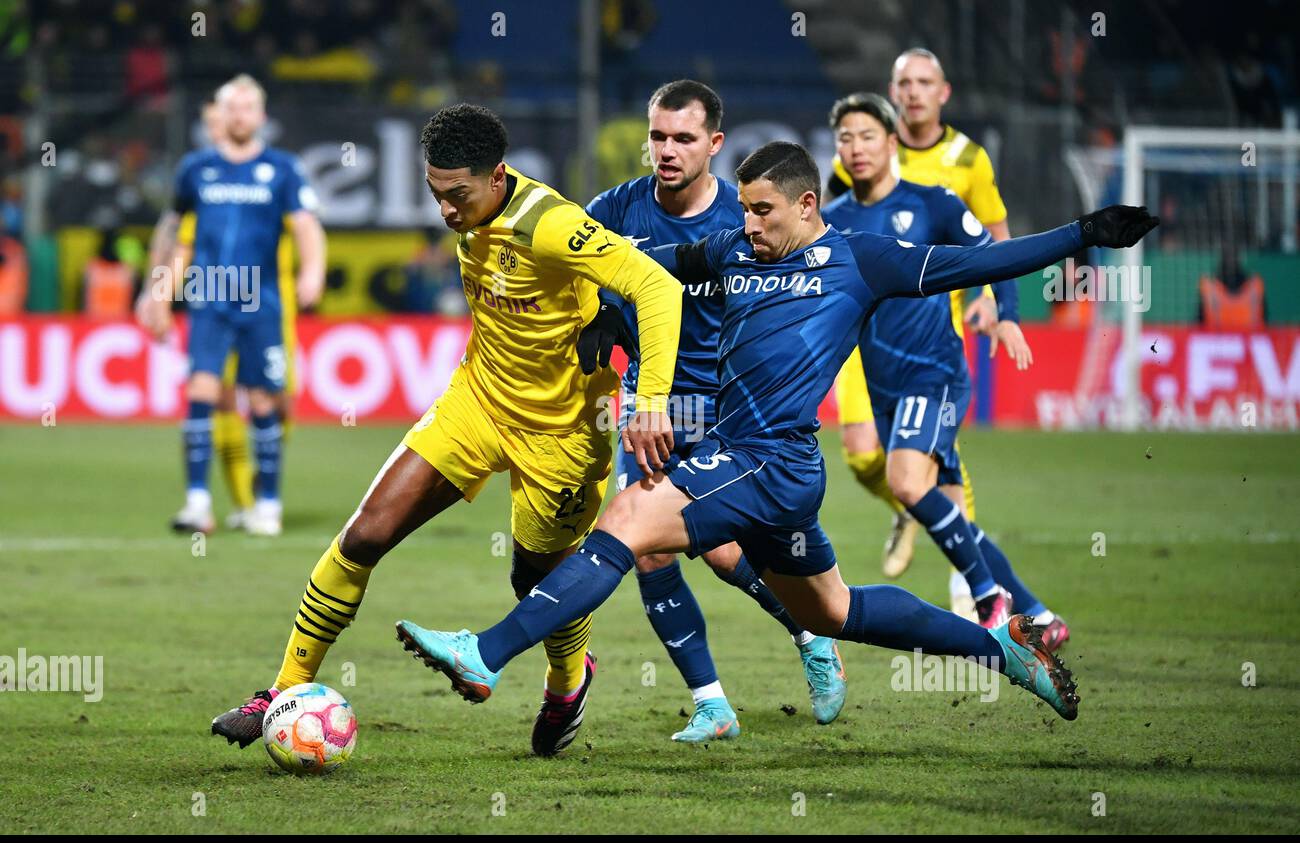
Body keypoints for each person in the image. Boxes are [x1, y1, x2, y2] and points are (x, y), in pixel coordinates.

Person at [392, 140, 1157, 736]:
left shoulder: (862, 260)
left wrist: (1085, 234)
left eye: (763, 211)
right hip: (759, 466)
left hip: (770, 460)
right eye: (746, 210)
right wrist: (597, 313)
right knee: (832, 611)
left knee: (628, 519)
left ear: (807, 204)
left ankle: (485, 653)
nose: (749, 224)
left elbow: (978, 261)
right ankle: (1006, 653)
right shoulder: (730, 249)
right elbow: (638, 266)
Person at [211, 103, 684, 758]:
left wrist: (650, 399)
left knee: (535, 582)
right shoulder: (471, 213)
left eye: (458, 195)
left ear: (498, 177)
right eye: (436, 193)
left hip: (564, 432)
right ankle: (284, 689)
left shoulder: (550, 224)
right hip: (478, 401)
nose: (446, 210)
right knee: (365, 533)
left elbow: (657, 288)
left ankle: (567, 681)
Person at [585, 79, 846, 742]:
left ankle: (810, 632)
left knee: (728, 553)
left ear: (714, 144)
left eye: (684, 138)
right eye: (658, 136)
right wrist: (599, 317)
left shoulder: (746, 219)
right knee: (647, 551)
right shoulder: (613, 210)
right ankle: (711, 703)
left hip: (725, 409)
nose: (667, 150)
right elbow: (579, 278)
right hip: (649, 406)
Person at [823, 93, 1068, 649]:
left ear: (891, 142)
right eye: (845, 139)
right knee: (953, 517)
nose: (856, 148)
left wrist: (1007, 315)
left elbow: (995, 254)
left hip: (935, 374)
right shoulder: (832, 222)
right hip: (884, 386)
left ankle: (989, 601)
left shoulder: (933, 203)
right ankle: (1038, 615)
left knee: (907, 483)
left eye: (867, 136)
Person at [828, 49, 1009, 621]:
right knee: (876, 464)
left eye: (924, 82)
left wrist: (998, 305)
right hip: (871, 353)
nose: (913, 92)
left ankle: (983, 595)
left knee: (915, 475)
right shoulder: (840, 202)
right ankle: (996, 599)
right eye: (903, 82)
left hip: (932, 352)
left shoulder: (956, 176)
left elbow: (997, 247)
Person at [136, 75, 325, 537]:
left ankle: (267, 504)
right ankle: (198, 504)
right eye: (231, 108)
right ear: (220, 116)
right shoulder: (196, 168)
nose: (239, 116)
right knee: (201, 392)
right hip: (209, 297)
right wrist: (158, 290)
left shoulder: (282, 168)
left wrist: (313, 271)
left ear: (261, 116)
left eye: (247, 108)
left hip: (263, 300)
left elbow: (306, 225)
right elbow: (174, 235)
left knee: (264, 400)